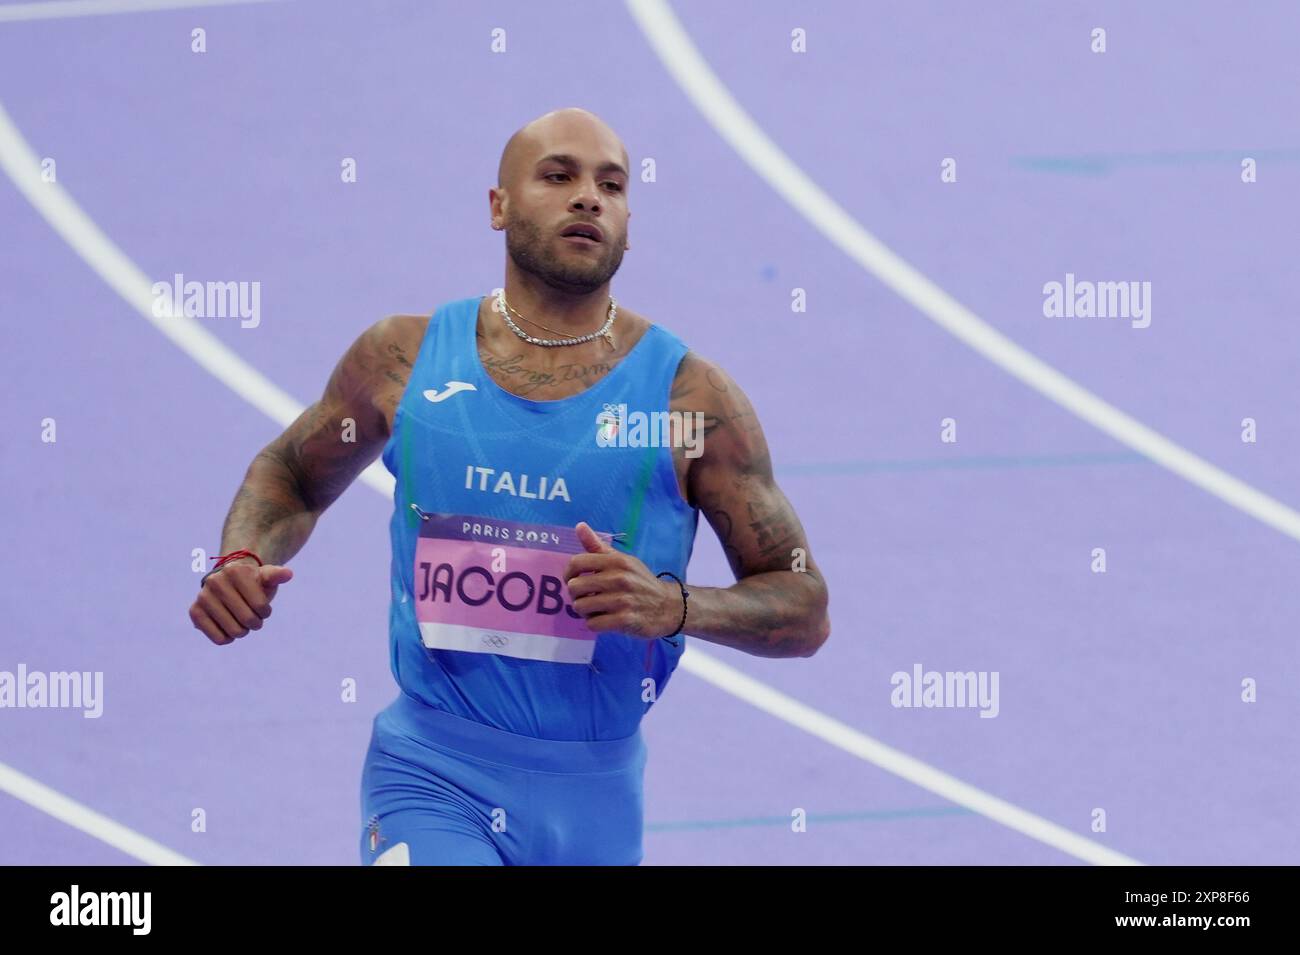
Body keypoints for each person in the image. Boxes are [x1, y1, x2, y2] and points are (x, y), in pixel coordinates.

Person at [187, 107, 831, 865]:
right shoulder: (405, 359)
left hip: (596, 799)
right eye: (558, 176)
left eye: (612, 185)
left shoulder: (686, 404)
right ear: (497, 205)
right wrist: (238, 559)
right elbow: (292, 473)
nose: (588, 197)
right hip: (430, 775)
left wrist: (675, 607)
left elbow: (803, 605)